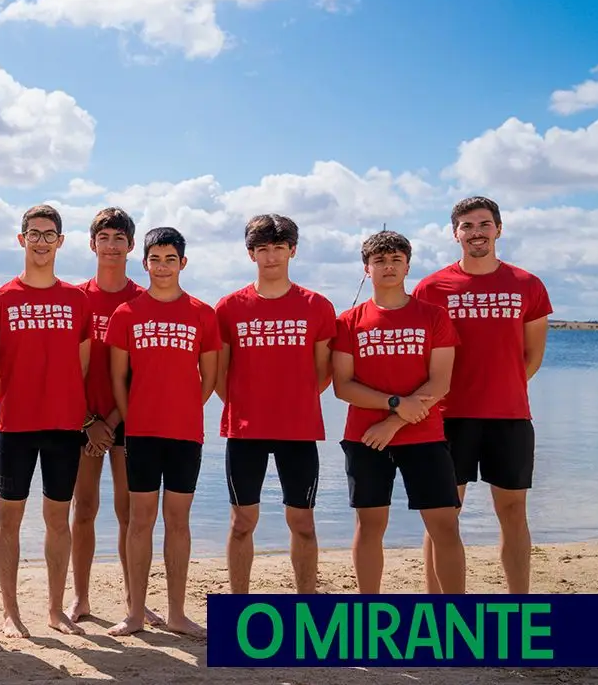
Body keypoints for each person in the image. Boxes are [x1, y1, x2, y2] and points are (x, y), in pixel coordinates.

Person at [413, 196, 551, 595]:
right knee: (442, 516)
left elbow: (532, 356)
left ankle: (519, 604)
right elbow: (423, 356)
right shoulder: (432, 287)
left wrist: (500, 388)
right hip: (446, 417)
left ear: (498, 229)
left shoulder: (527, 285)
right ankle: (438, 610)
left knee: (512, 512)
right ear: (455, 233)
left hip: (508, 416)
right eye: (467, 226)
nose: (476, 232)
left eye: (484, 224)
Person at [331, 230, 464, 594]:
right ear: (366, 268)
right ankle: (370, 611)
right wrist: (394, 403)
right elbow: (343, 386)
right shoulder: (349, 322)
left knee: (444, 526)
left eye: (395, 261)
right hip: (365, 439)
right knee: (370, 525)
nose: (388, 267)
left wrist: (394, 421)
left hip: (424, 435)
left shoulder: (433, 317)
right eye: (379, 261)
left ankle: (455, 616)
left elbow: (441, 383)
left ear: (407, 266)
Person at [0, 204, 91, 638]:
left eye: (49, 234)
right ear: (21, 238)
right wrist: (10, 399)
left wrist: (59, 399)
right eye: (34, 233)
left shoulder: (76, 299)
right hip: (17, 426)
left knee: (57, 518)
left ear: (60, 242)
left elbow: (80, 366)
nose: (41, 241)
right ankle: (10, 612)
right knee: (8, 517)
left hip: (64, 426)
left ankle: (54, 609)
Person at [106, 226, 219, 638]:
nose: (163, 266)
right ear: (145, 263)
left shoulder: (202, 313)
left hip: (185, 433)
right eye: (156, 259)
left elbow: (209, 376)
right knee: (140, 520)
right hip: (141, 433)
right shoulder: (128, 314)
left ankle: (176, 613)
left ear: (182, 263)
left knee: (178, 520)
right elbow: (118, 377)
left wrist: (185, 408)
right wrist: (132, 415)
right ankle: (135, 612)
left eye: (171, 259)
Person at [214, 214, 336, 595]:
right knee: (241, 522)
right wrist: (248, 403)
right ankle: (239, 604)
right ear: (251, 254)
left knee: (303, 522)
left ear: (292, 251)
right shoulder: (230, 307)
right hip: (245, 429)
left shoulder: (316, 306)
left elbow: (323, 371)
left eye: (279, 248)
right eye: (262, 249)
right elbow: (220, 373)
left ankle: (307, 602)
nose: (271, 257)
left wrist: (291, 400)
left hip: (297, 429)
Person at [69, 207, 142, 623]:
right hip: (84, 419)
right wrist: (88, 421)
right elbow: (67, 368)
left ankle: (135, 601)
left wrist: (112, 421)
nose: (111, 246)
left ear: (131, 246)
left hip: (128, 417)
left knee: (130, 512)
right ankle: (81, 599)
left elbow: (141, 371)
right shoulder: (76, 298)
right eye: (104, 238)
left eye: (119, 238)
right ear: (92, 244)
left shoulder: (141, 299)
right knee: (84, 508)